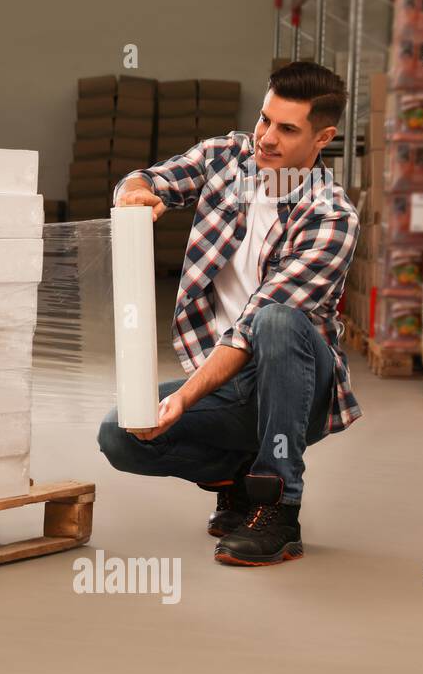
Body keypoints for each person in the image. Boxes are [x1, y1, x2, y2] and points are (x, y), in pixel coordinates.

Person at [97, 61, 361, 566]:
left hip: (295, 381)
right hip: (225, 384)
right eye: (264, 120)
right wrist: (132, 191)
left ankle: (278, 508)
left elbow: (250, 329)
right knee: (119, 436)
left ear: (322, 137)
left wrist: (185, 398)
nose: (266, 138)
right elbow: (151, 178)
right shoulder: (227, 157)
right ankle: (236, 478)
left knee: (275, 321)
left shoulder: (331, 216)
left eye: (287, 129)